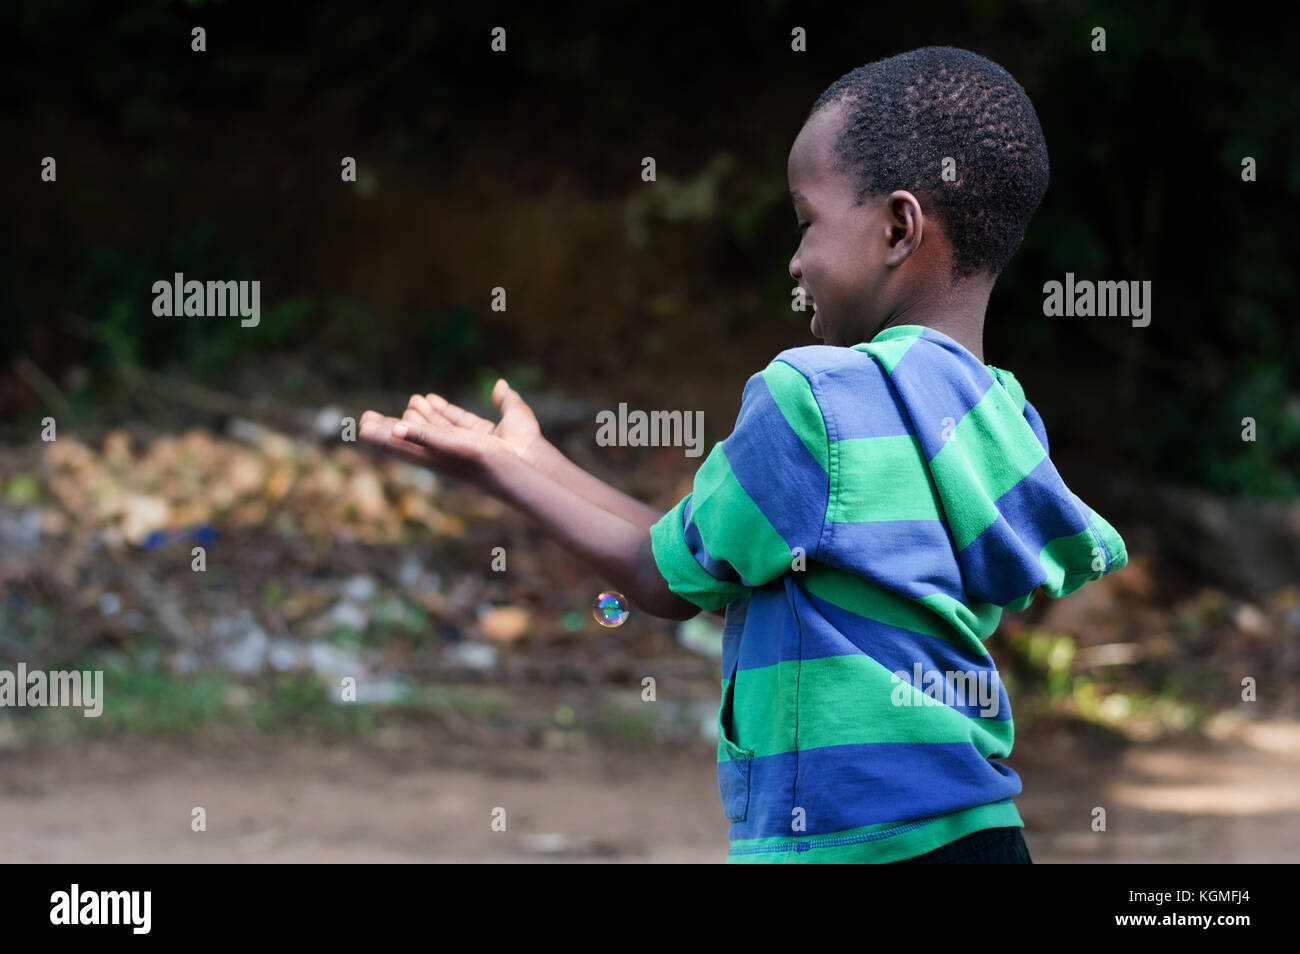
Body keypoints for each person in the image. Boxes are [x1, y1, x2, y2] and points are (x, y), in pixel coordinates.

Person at [359, 46, 1127, 863]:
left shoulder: (814, 400)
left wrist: (500, 473)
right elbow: (697, 549)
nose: (795, 262)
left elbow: (664, 583)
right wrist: (538, 456)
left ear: (898, 227)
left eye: (806, 223)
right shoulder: (1001, 418)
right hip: (979, 835)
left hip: (840, 846)